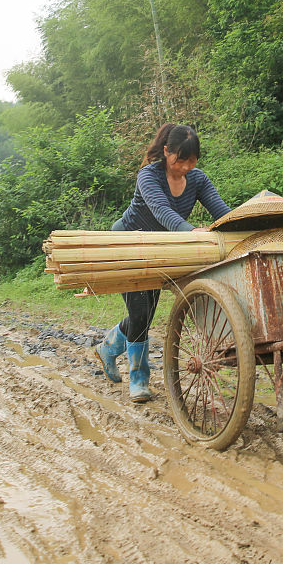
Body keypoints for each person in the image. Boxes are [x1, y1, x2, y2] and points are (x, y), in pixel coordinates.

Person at [88, 123, 232, 402]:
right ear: (166, 152)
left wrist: (243, 223)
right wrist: (192, 232)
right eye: (180, 160)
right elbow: (162, 211)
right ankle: (139, 379)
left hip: (162, 250)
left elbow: (220, 210)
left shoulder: (198, 180)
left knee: (143, 313)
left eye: (192, 162)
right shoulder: (148, 176)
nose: (185, 167)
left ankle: (107, 348)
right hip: (129, 246)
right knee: (142, 313)